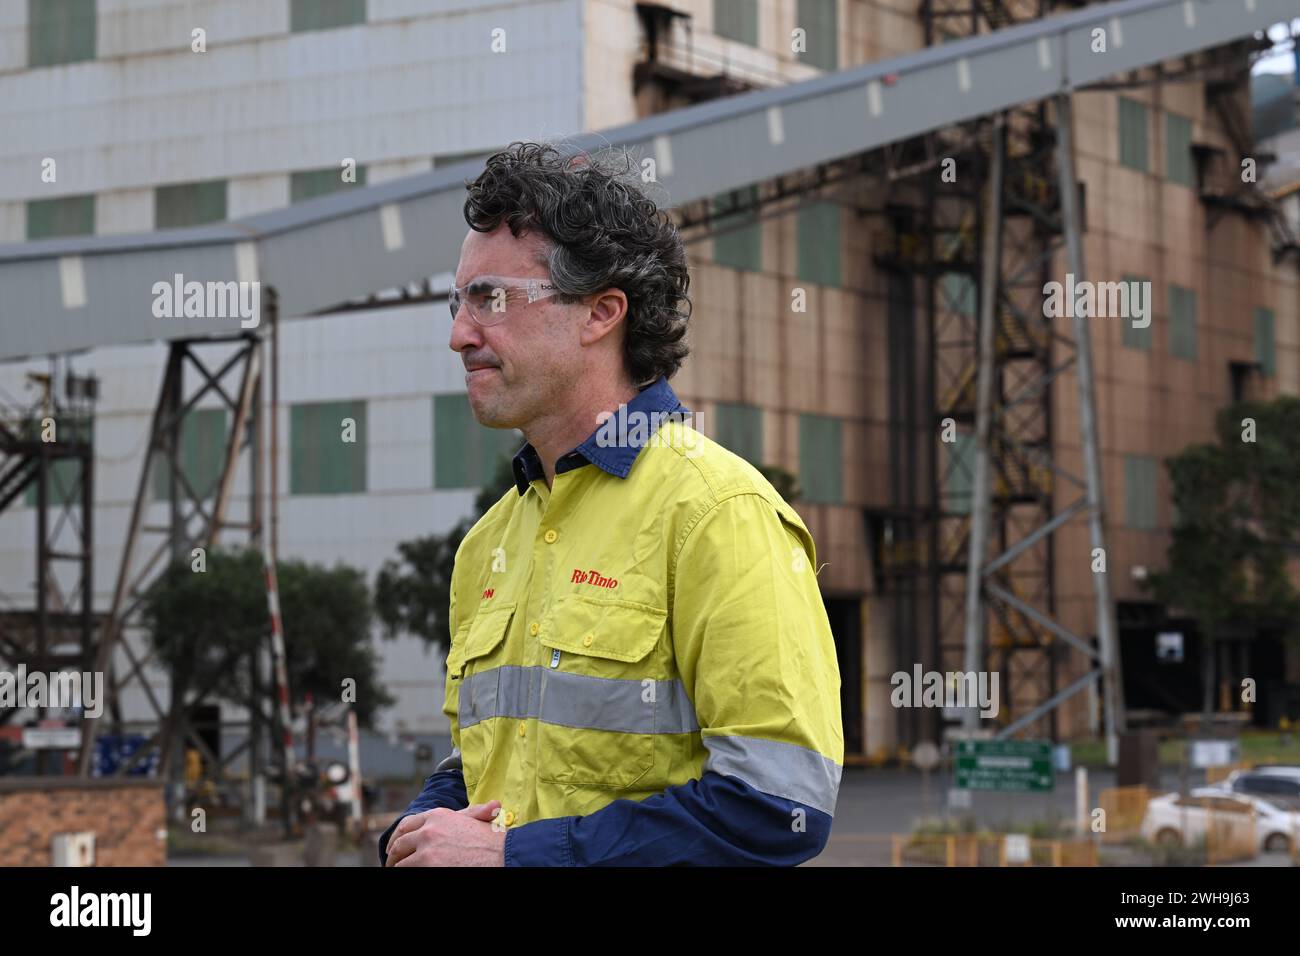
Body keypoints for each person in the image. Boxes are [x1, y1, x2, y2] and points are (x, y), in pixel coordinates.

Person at [380, 141, 843, 866]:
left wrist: (514, 857)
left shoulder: (718, 512)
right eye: (457, 303)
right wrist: (419, 832)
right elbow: (495, 767)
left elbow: (780, 806)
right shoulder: (488, 545)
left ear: (601, 312)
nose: (458, 335)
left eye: (490, 299)